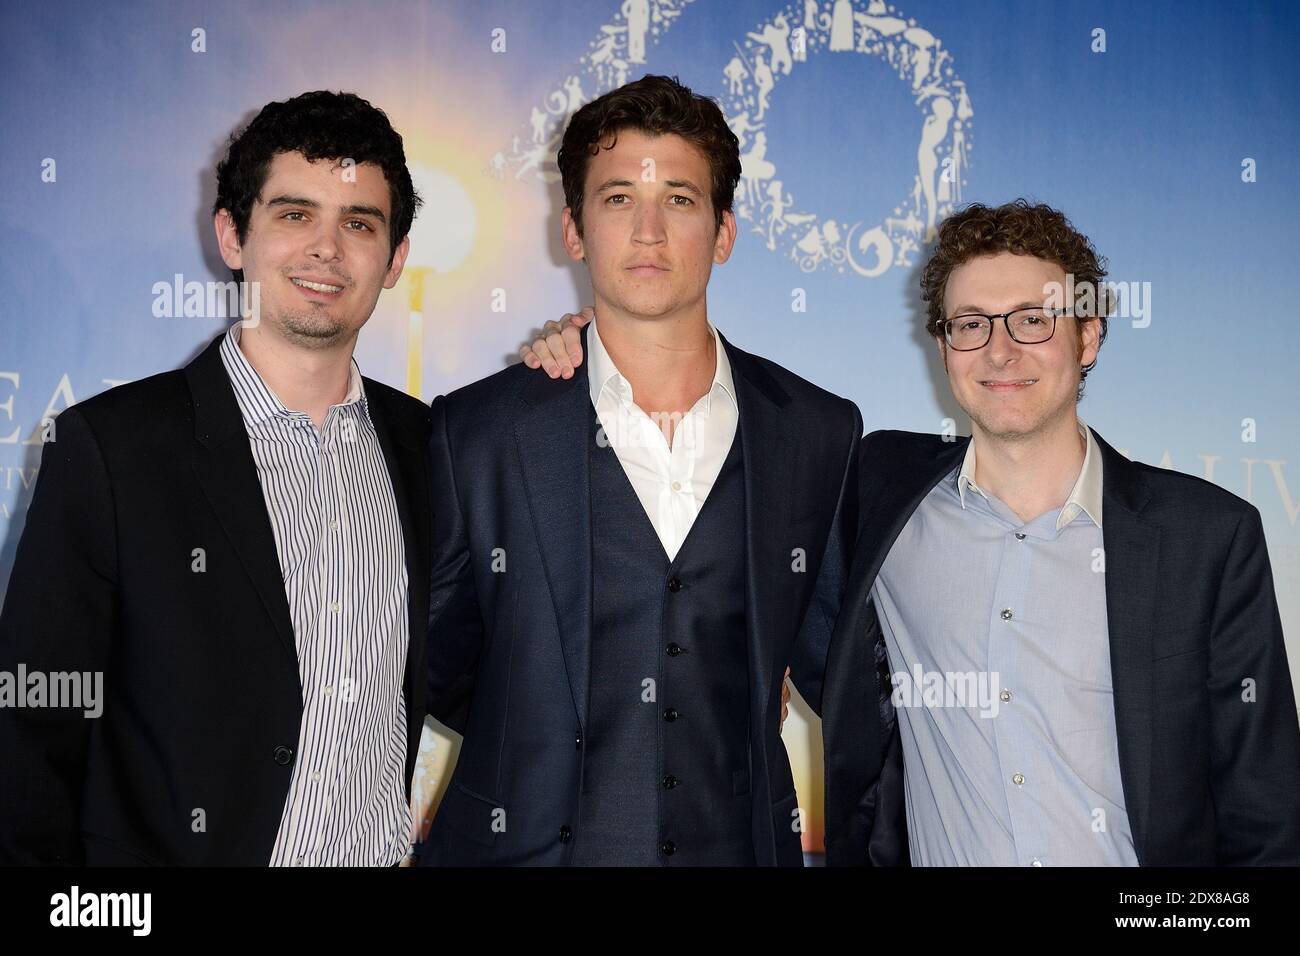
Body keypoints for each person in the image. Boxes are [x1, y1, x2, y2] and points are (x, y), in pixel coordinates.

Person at [523, 199, 1300, 866]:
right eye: (970, 324)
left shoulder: (1206, 537)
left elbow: (1266, 818)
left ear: (1088, 336)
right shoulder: (878, 488)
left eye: (1033, 320)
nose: (1000, 351)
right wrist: (599, 340)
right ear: (943, 346)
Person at [422, 75, 861, 866]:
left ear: (724, 232)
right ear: (574, 230)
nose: (650, 232)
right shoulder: (478, 430)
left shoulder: (820, 433)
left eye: (682, 201)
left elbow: (846, 675)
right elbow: (435, 668)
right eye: (619, 198)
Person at [0, 90, 433, 865]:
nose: (327, 250)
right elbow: (31, 737)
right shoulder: (112, 449)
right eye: (295, 214)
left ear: (395, 258)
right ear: (234, 235)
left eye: (359, 223)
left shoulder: (433, 449)